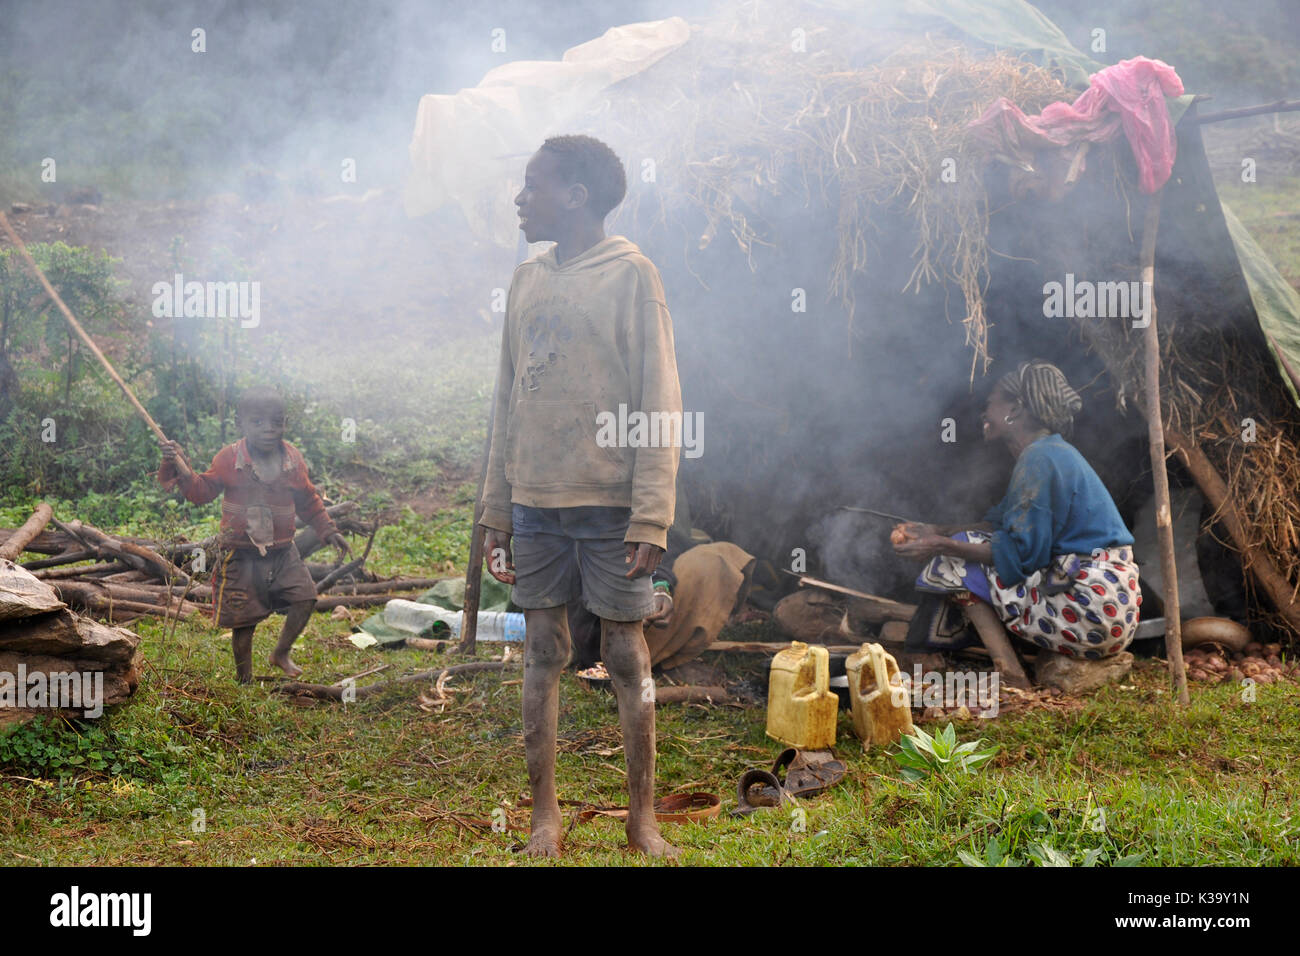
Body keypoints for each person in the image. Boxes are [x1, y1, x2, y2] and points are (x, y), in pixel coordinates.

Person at [479, 134, 683, 858]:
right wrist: (495, 510)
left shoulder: (633, 277)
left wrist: (652, 514)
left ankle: (643, 819)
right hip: (535, 503)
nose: (519, 197)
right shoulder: (527, 280)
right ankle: (545, 818)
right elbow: (506, 400)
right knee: (543, 650)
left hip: (609, 506)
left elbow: (661, 400)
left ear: (576, 196)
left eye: (533, 185)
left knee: (627, 655)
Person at [892, 359, 1139, 687]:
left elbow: (1022, 552)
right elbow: (1002, 525)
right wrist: (936, 530)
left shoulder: (1038, 459)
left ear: (1015, 410)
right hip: (1114, 607)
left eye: (991, 403)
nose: (984, 413)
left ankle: (1011, 677)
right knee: (963, 545)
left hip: (1091, 607)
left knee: (952, 562)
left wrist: (941, 545)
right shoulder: (1051, 452)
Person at [158, 386, 349, 682]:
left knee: (306, 597)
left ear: (285, 423)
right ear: (241, 424)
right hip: (240, 553)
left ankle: (280, 652)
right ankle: (244, 679)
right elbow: (200, 492)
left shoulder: (293, 460)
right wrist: (179, 465)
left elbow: (309, 500)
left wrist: (328, 529)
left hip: (284, 552)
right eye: (258, 422)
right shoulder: (229, 459)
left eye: (276, 421)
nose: (268, 429)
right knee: (243, 622)